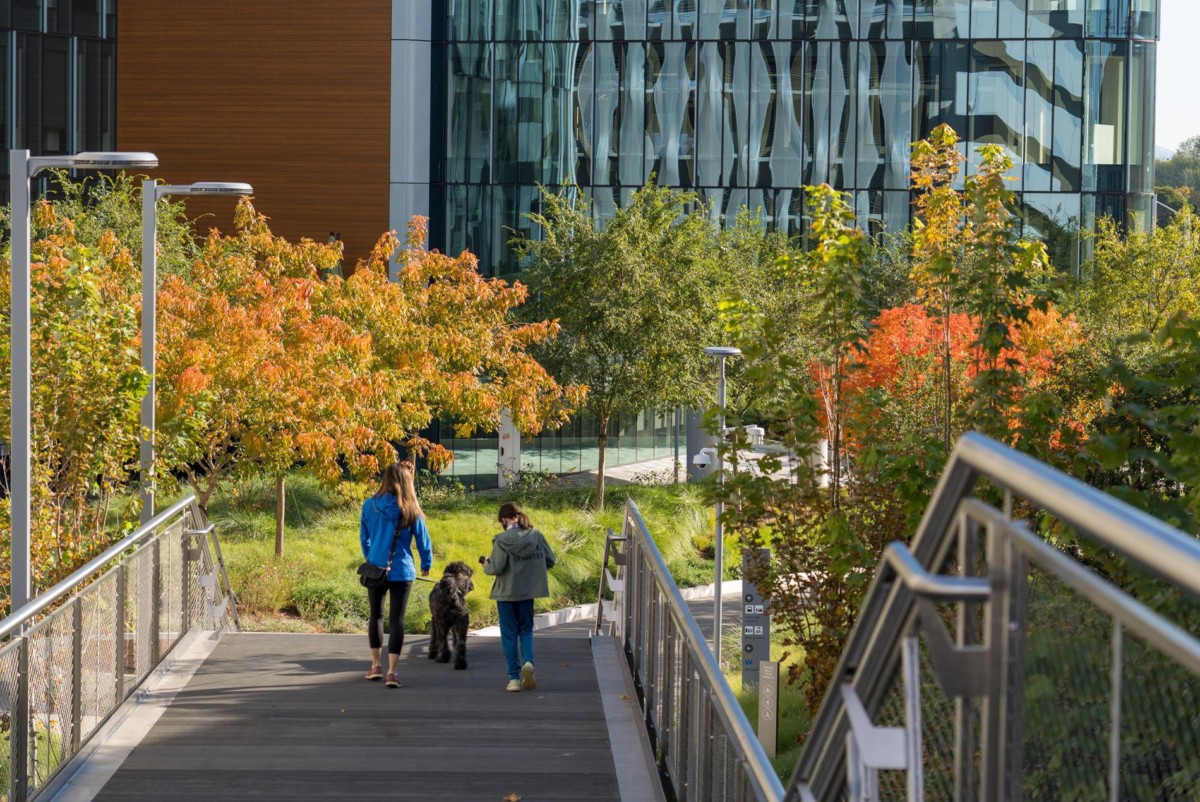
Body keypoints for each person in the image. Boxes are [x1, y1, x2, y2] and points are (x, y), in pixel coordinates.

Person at [360, 461, 432, 688]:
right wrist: (426, 564)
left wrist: (372, 557)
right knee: (397, 620)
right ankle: (392, 672)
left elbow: (365, 537)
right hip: (402, 569)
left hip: (377, 568)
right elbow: (424, 541)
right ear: (406, 482)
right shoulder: (412, 509)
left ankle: (375, 666)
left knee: (376, 616)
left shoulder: (370, 505)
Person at [482, 502, 556, 692]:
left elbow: (496, 568)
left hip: (506, 593)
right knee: (526, 629)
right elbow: (551, 560)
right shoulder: (535, 535)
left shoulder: (501, 540)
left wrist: (486, 565)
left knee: (508, 635)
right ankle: (529, 663)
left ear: (504, 519)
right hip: (527, 592)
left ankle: (514, 679)